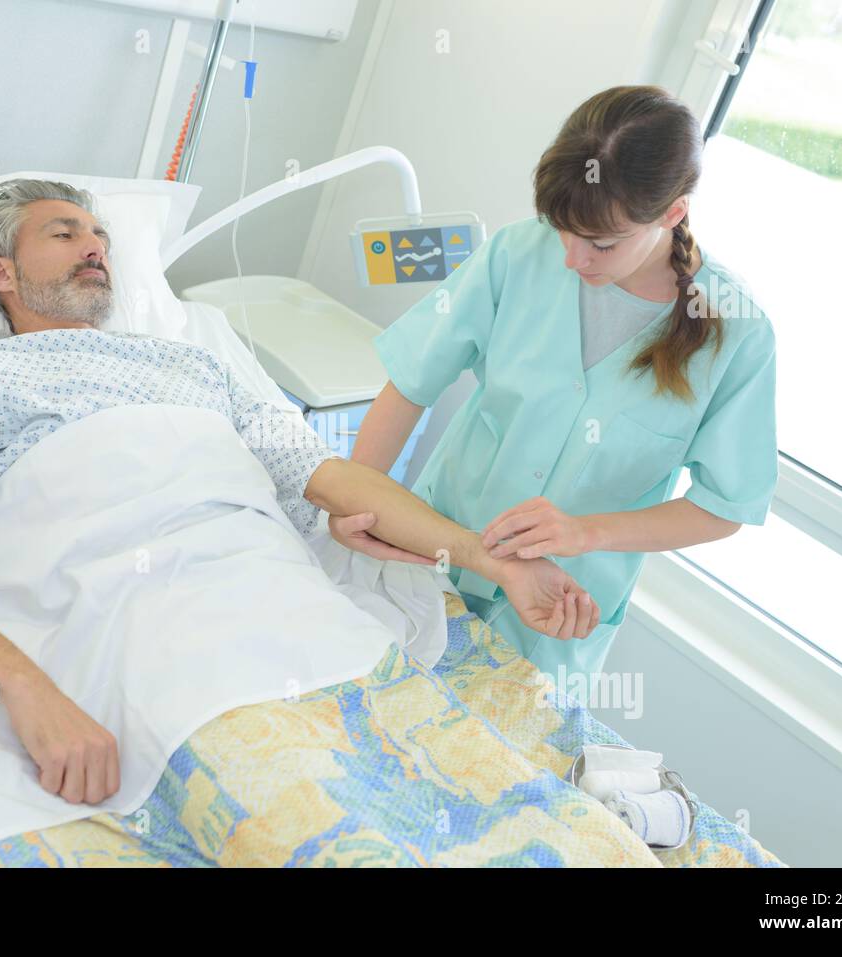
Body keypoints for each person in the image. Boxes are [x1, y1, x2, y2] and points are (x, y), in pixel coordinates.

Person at [0, 178, 601, 808]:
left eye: (101, 238)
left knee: (507, 793)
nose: (95, 247)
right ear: (1, 273)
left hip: (274, 594)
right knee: (303, 800)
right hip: (149, 621)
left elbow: (332, 479)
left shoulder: (193, 365)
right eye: (64, 234)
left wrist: (493, 562)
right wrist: (21, 686)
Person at [333, 85, 778, 688]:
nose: (573, 259)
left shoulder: (736, 332)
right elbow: (412, 381)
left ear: (673, 212)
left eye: (602, 244)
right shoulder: (517, 254)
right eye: (561, 229)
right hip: (435, 553)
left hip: (557, 613)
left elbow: (723, 507)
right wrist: (358, 501)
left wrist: (585, 532)